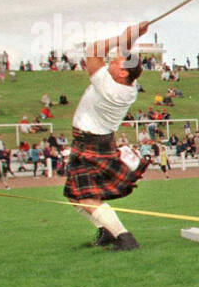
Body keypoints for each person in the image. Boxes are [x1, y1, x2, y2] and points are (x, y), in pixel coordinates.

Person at [63, 23, 151, 250]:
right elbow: (124, 54)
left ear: (121, 72)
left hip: (92, 142)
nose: (110, 61)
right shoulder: (127, 82)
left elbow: (93, 50)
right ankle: (108, 231)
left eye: (114, 62)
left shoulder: (109, 86)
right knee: (75, 196)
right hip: (92, 141)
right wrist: (131, 38)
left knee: (87, 199)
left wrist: (121, 37)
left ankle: (125, 238)